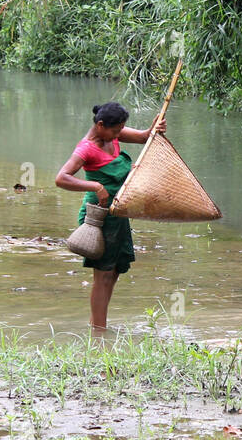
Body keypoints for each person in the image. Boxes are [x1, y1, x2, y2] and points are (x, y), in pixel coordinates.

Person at [55, 102, 166, 333]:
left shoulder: (113, 134)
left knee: (114, 271)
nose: (119, 135)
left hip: (119, 213)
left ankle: (99, 326)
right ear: (100, 125)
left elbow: (145, 137)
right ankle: (98, 332)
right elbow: (62, 178)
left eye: (121, 130)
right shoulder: (86, 149)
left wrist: (154, 129)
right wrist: (95, 186)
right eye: (116, 131)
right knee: (103, 274)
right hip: (99, 215)